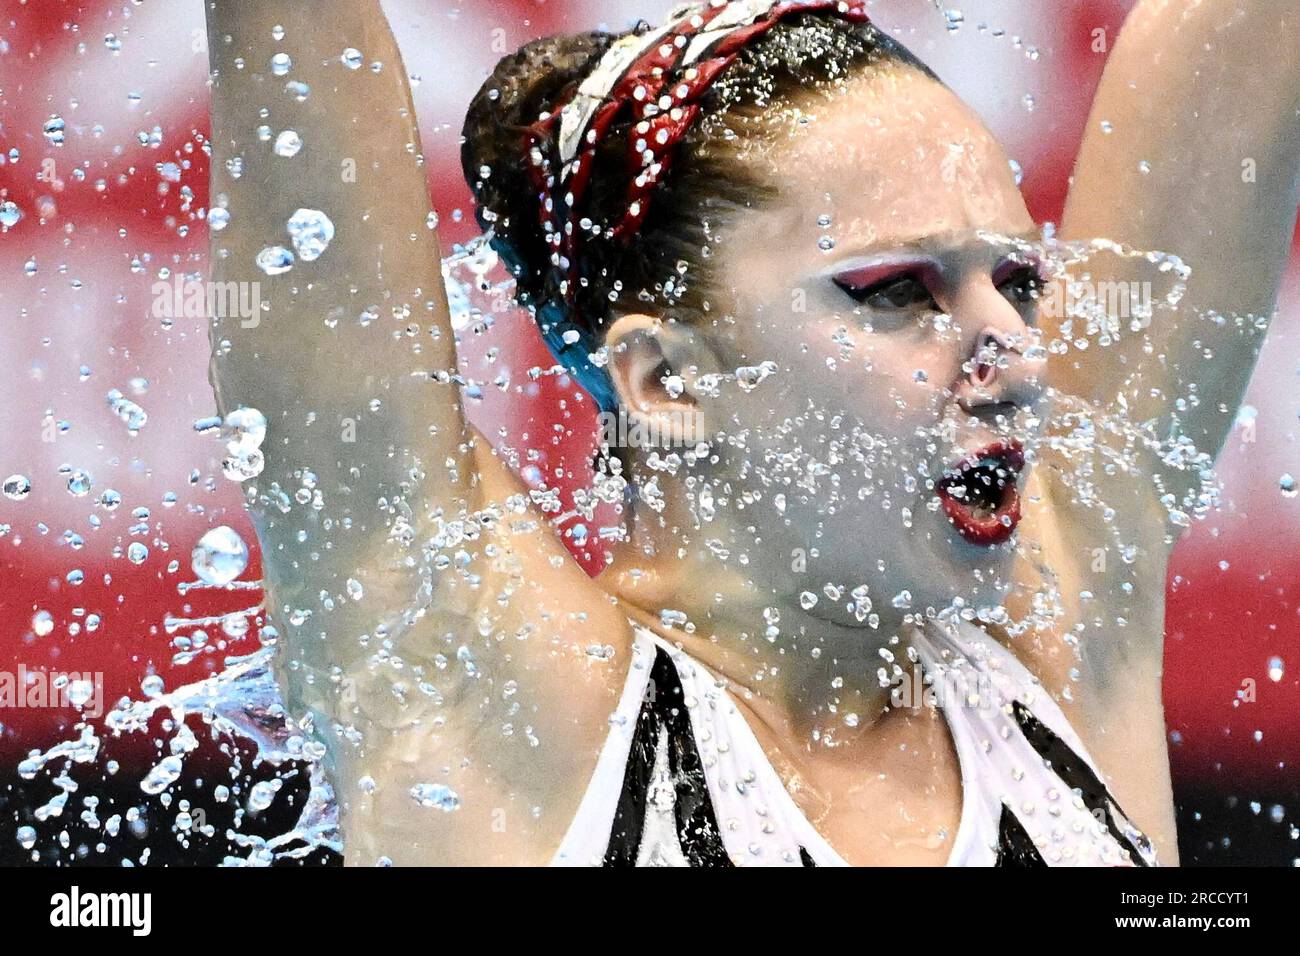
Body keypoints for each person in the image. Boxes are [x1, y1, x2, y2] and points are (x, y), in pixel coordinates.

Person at [202, 0, 1300, 865]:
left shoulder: (1060, 631)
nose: (1012, 360)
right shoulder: (486, 690)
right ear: (668, 378)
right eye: (896, 292)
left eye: (1016, 281)